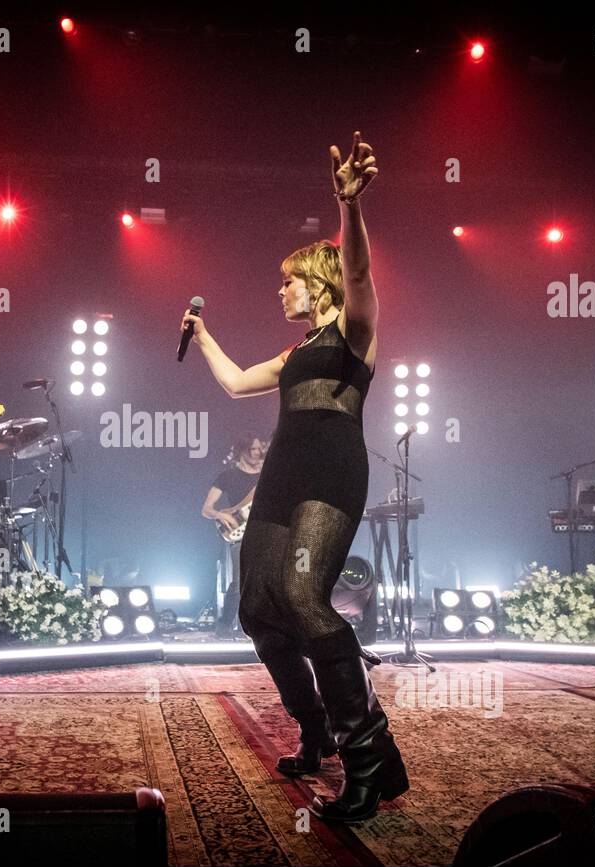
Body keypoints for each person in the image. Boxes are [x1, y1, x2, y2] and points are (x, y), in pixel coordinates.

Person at [181, 132, 408, 822]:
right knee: (259, 608)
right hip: (281, 477)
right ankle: (315, 731)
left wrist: (350, 207)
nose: (280, 290)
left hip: (330, 475)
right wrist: (203, 332)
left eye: (289, 280)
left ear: (319, 283)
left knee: (305, 599)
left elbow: (362, 275)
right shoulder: (295, 350)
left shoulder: (355, 330)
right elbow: (232, 383)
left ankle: (371, 758)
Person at [202, 435, 267, 636]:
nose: (257, 453)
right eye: (253, 449)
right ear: (242, 451)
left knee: (265, 582)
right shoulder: (227, 476)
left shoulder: (268, 473)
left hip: (265, 531)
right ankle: (224, 626)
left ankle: (257, 628)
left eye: (259, 449)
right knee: (240, 583)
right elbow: (206, 509)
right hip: (239, 532)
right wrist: (220, 514)